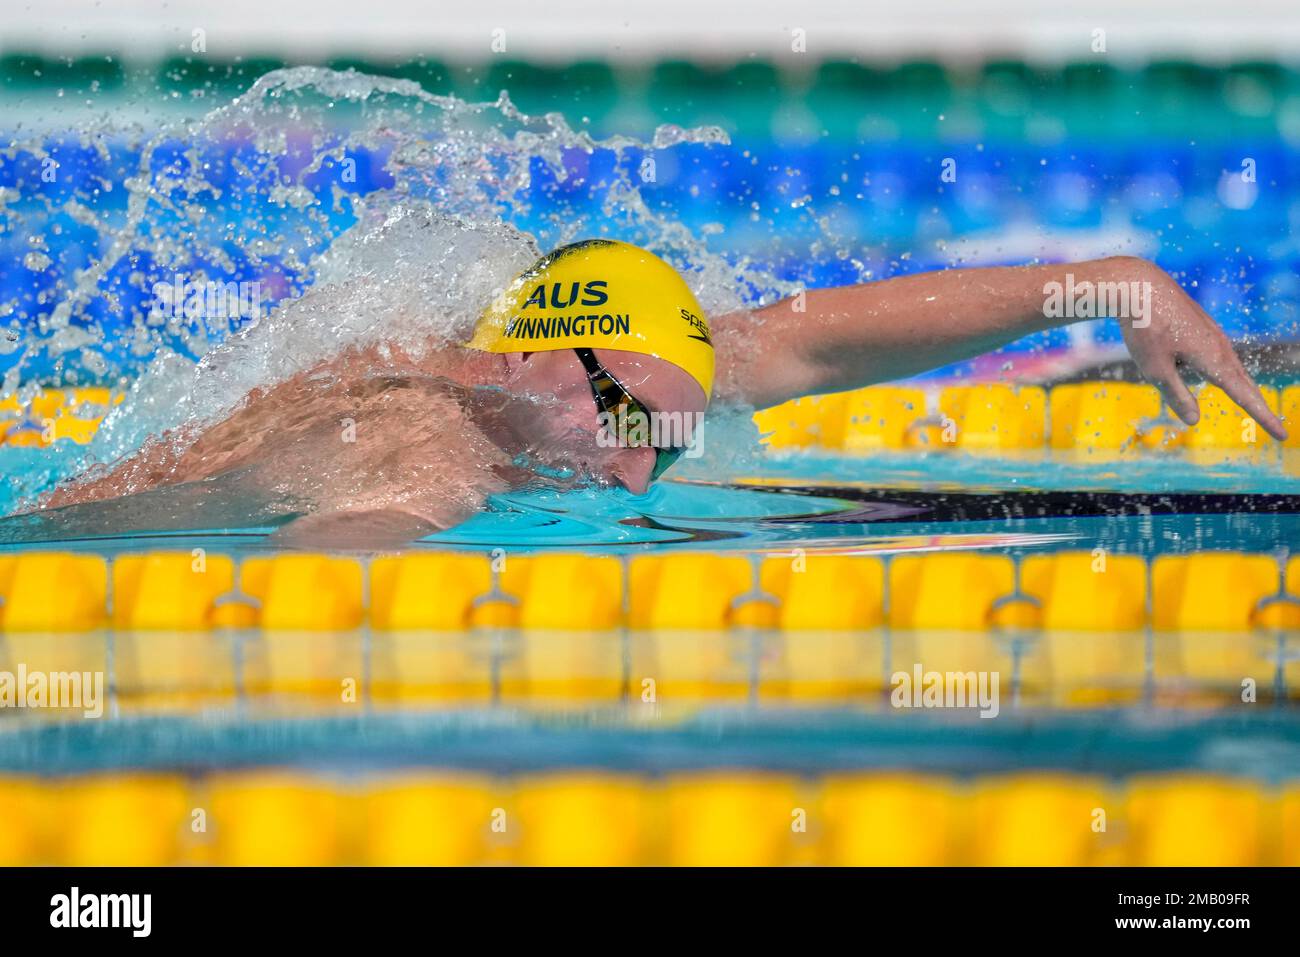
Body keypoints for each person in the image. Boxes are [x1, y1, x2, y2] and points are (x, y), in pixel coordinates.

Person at [39, 238, 1287, 548]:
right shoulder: (427, 457)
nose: (643, 464)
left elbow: (805, 344)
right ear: (511, 364)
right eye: (630, 422)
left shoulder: (591, 378)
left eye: (670, 434)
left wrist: (1105, 286)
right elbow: (279, 637)